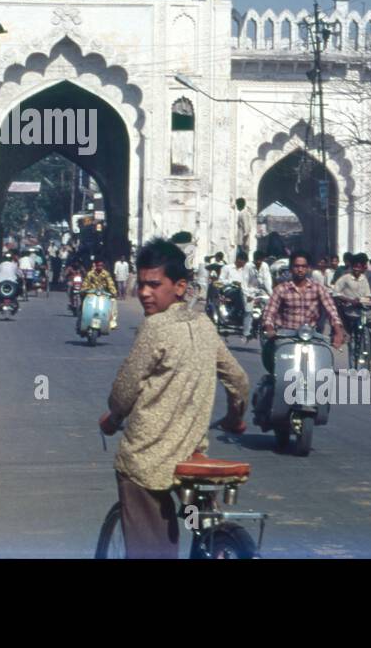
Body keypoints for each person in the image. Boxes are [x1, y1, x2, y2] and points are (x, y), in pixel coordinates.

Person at [99, 238, 249, 559]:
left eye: (154, 284)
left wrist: (112, 419)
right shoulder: (205, 325)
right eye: (141, 285)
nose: (144, 293)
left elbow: (125, 390)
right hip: (192, 457)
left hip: (148, 459)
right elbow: (238, 380)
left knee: (150, 548)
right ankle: (206, 537)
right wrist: (236, 415)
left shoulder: (154, 328)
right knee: (196, 520)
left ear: (180, 287)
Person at [260, 251, 346, 373]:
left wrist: (338, 331)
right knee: (277, 370)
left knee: (322, 368)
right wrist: (269, 328)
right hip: (286, 336)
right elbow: (269, 312)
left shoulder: (318, 288)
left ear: (309, 268)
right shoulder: (281, 289)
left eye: (303, 266)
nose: (300, 270)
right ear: (290, 268)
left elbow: (331, 310)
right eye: (296, 266)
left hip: (312, 336)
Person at [219, 253, 262, 340]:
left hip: (244, 291)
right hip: (229, 290)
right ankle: (235, 313)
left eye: (244, 263)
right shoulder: (227, 268)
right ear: (238, 260)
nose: (243, 265)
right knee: (239, 291)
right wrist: (232, 282)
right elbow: (220, 281)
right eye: (241, 262)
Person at [82, 259, 119, 329]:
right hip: (91, 294)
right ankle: (81, 317)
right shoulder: (90, 274)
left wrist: (113, 292)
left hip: (103, 294)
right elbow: (85, 283)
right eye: (98, 265)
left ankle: (112, 321)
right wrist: (84, 290)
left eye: (101, 265)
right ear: (95, 266)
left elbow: (110, 284)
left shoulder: (106, 274)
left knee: (113, 301)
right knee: (83, 301)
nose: (100, 267)